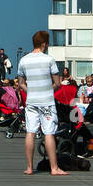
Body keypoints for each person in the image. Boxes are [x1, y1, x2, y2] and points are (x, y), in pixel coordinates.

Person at [16, 30, 67, 177]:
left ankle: (30, 167)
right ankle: (54, 168)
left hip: (31, 100)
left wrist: (31, 90)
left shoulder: (24, 60)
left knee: (30, 132)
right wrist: (48, 89)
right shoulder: (49, 60)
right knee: (49, 133)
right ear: (44, 43)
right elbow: (57, 83)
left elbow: (21, 84)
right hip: (47, 101)